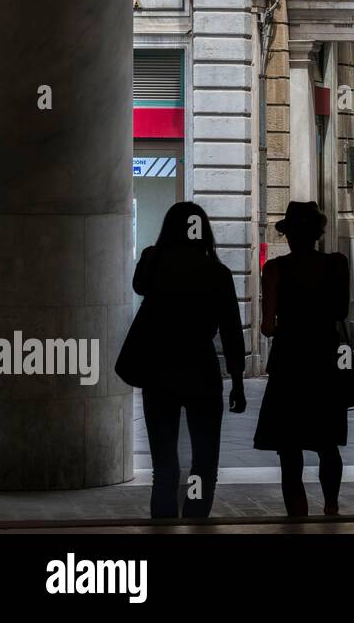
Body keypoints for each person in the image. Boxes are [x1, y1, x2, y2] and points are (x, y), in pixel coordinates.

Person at [124, 201, 246, 520]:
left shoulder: (154, 260)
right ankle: (196, 519)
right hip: (201, 368)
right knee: (204, 464)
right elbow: (232, 331)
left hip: (159, 368)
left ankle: (163, 526)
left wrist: (159, 252)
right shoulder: (216, 272)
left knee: (164, 468)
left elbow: (139, 286)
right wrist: (237, 381)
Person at [253, 201, 351, 517]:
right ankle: (332, 507)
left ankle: (298, 513)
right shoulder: (337, 264)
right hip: (324, 361)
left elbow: (268, 327)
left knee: (289, 448)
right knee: (328, 443)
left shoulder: (275, 270)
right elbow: (340, 312)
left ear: (289, 235)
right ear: (318, 234)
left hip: (289, 364)